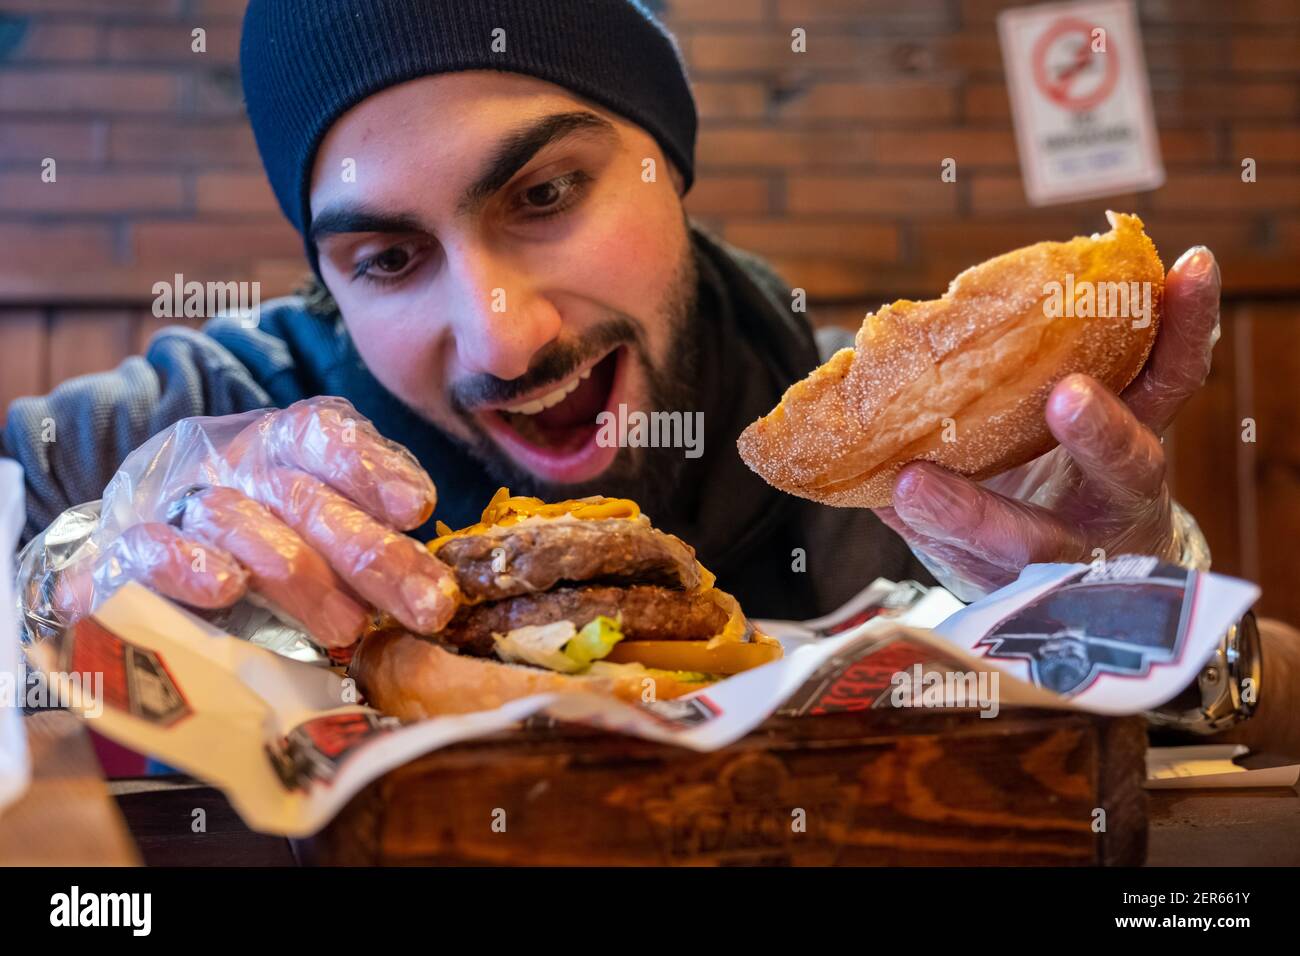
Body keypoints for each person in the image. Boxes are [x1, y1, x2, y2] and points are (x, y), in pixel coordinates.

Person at [3, 1, 1292, 750]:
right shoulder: (186, 429)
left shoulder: (886, 455)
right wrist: (67, 593)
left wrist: (1136, 613)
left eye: (546, 192)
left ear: (669, 163)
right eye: (389, 256)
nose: (503, 338)